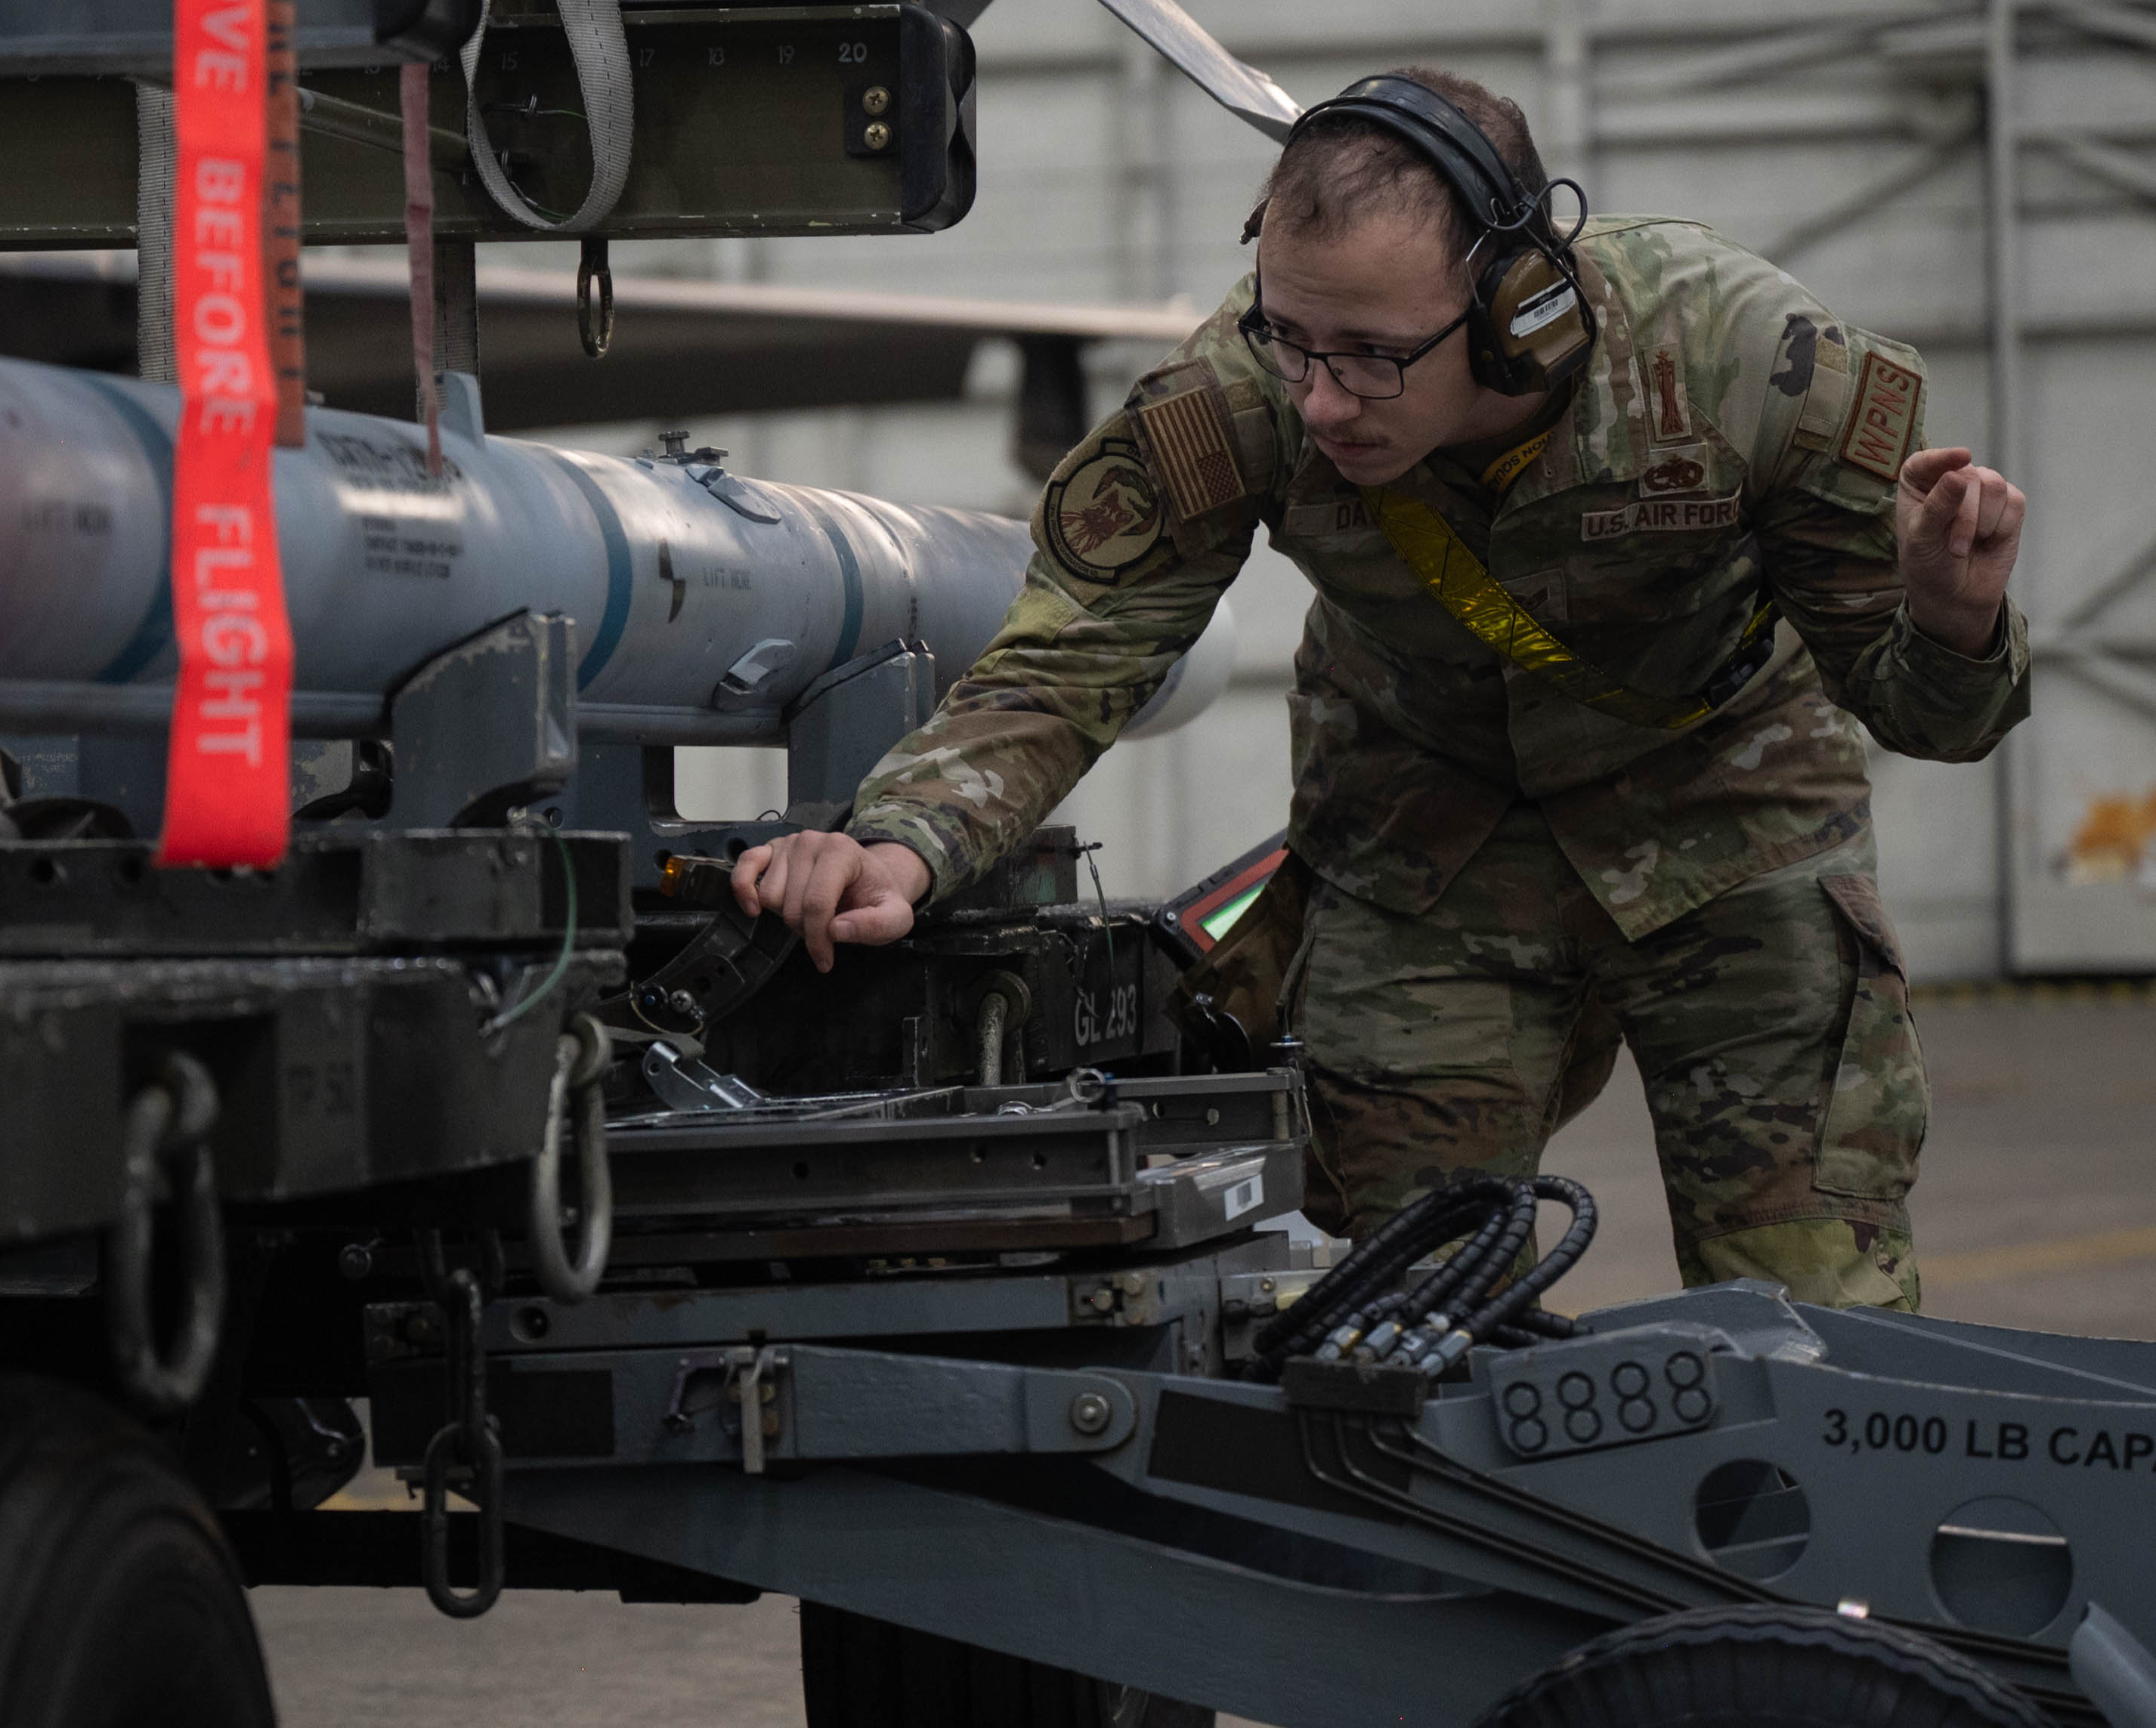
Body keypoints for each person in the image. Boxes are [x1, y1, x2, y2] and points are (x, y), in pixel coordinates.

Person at [731, 68, 2029, 1310]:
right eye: (1289, 338)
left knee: (1813, 1302)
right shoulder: (1245, 390)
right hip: (1427, 843)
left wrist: (1951, 617)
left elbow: (1928, 715)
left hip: (1731, 830)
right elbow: (1078, 647)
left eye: (1370, 354)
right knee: (1396, 1316)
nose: (1322, 399)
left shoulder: (1752, 366)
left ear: (1521, 306)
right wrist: (902, 841)